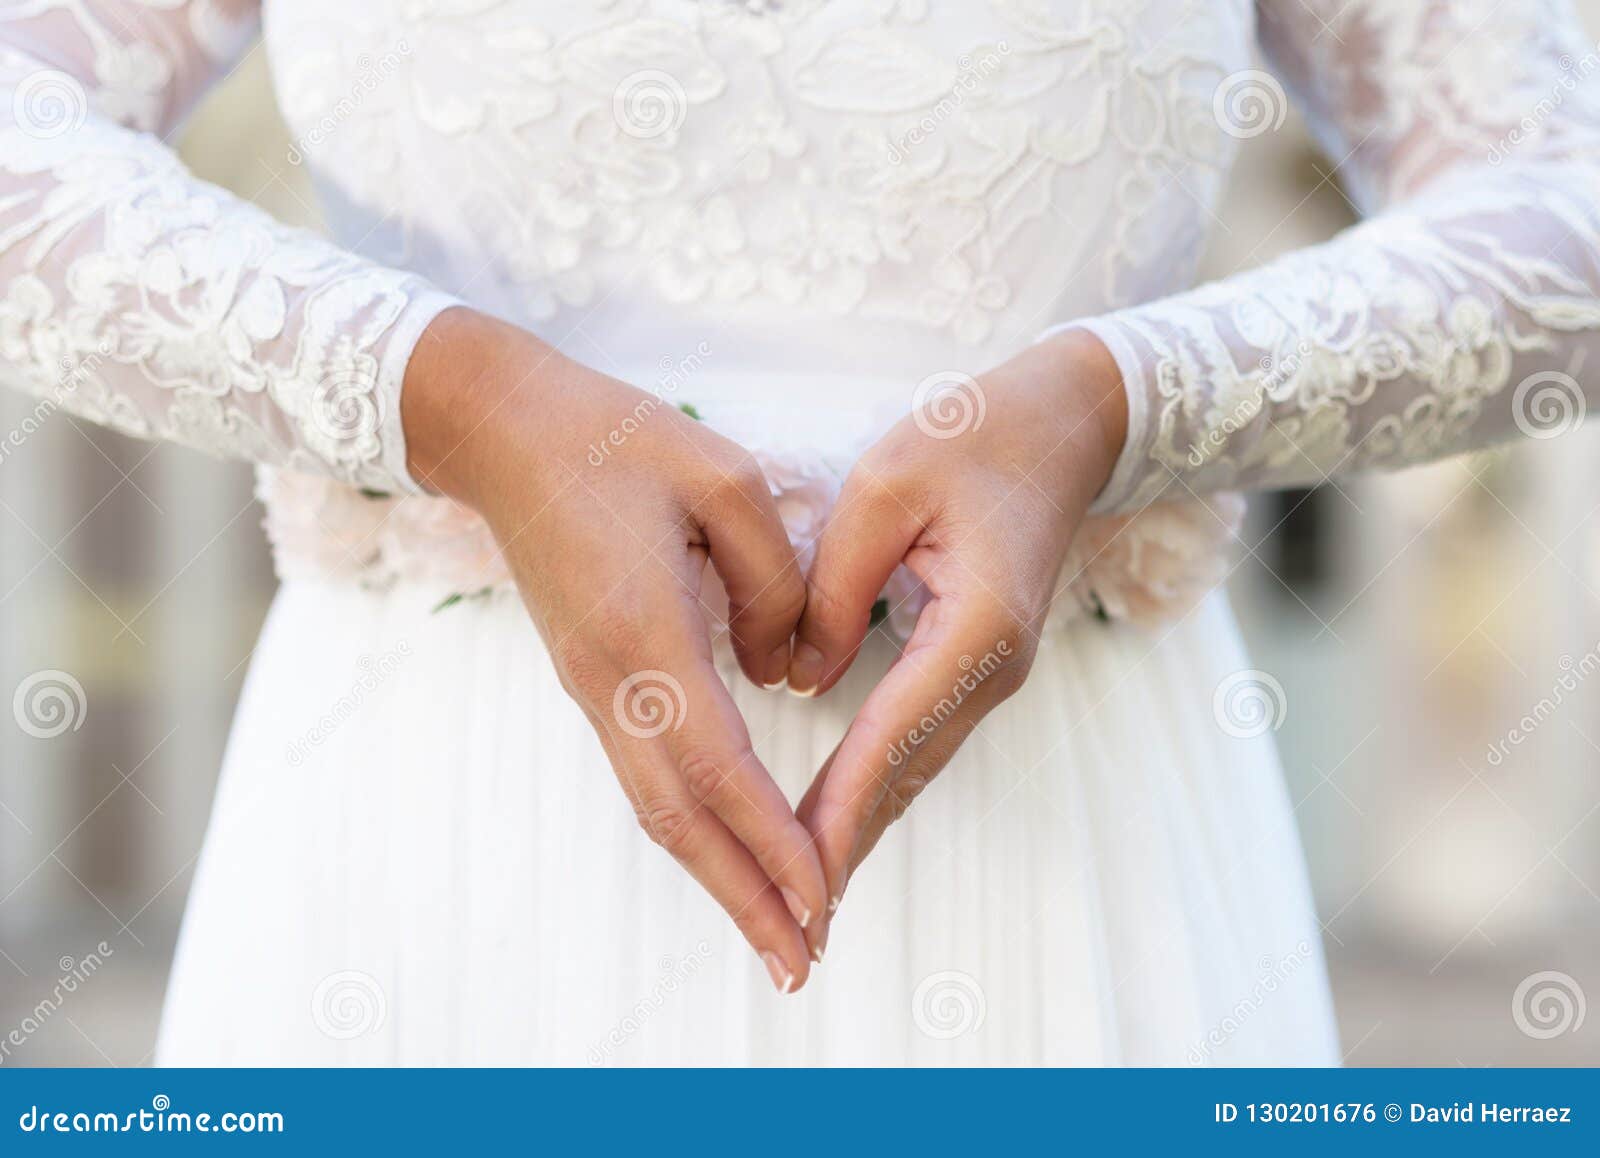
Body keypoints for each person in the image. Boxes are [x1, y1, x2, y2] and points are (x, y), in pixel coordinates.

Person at [1, 0, 1596, 1064]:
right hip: (443, 827)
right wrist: (453, 393)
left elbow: (1565, 192)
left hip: (1067, 836)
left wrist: (1124, 398)